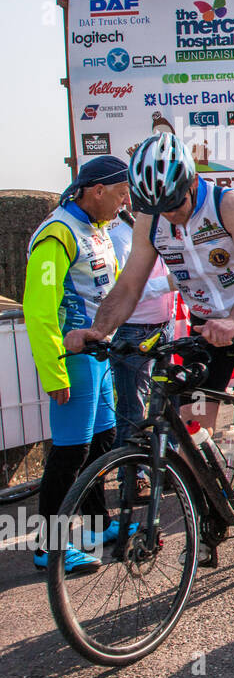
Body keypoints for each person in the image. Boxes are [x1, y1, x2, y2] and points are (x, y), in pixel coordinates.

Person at [71, 135, 234, 477]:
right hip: (206, 321)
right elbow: (130, 284)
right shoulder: (151, 221)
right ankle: (215, 507)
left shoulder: (228, 204)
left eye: (176, 202)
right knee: (191, 433)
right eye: (160, 207)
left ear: (192, 180)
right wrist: (98, 330)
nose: (171, 214)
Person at [24, 156, 129, 572]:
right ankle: (47, 545)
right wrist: (53, 371)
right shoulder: (58, 233)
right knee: (69, 452)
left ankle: (98, 525)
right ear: (97, 190)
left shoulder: (97, 228)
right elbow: (39, 310)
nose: (124, 204)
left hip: (100, 356)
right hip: (73, 360)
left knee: (102, 442)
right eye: (120, 195)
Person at [107, 202, 176, 451]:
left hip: (164, 327)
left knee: (168, 401)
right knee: (133, 408)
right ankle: (133, 477)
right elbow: (119, 292)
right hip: (134, 329)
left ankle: (167, 465)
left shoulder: (163, 234)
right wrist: (168, 283)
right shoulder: (120, 241)